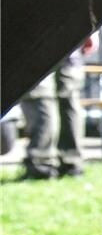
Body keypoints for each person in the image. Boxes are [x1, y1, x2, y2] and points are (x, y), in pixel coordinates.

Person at [21, 34, 94, 180]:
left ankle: (41, 164)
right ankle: (71, 163)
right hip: (71, 42)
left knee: (41, 98)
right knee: (68, 100)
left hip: (38, 42)